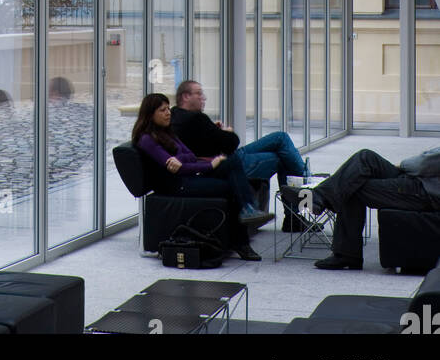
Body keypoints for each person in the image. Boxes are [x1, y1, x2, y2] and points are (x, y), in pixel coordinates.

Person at [132, 92, 274, 262]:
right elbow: (177, 170)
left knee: (231, 161)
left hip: (186, 176)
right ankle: (241, 241)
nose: (168, 113)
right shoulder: (147, 139)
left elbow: (188, 157)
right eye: (162, 110)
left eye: (168, 108)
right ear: (150, 114)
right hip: (177, 185)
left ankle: (248, 208)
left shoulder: (167, 133)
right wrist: (207, 165)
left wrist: (182, 160)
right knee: (229, 188)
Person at [281, 145, 440, 269]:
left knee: (352, 185)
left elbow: (425, 163)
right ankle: (319, 198)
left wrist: (403, 165)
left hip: (423, 191)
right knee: (366, 157)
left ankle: (346, 252)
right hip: (419, 181)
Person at [170, 79, 307, 190]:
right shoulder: (196, 118)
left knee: (280, 138)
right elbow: (231, 143)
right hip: (229, 162)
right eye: (198, 94)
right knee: (282, 156)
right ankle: (307, 182)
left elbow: (206, 138)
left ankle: (305, 181)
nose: (203, 98)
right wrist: (225, 132)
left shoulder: (176, 115)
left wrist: (214, 130)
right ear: (186, 96)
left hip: (225, 157)